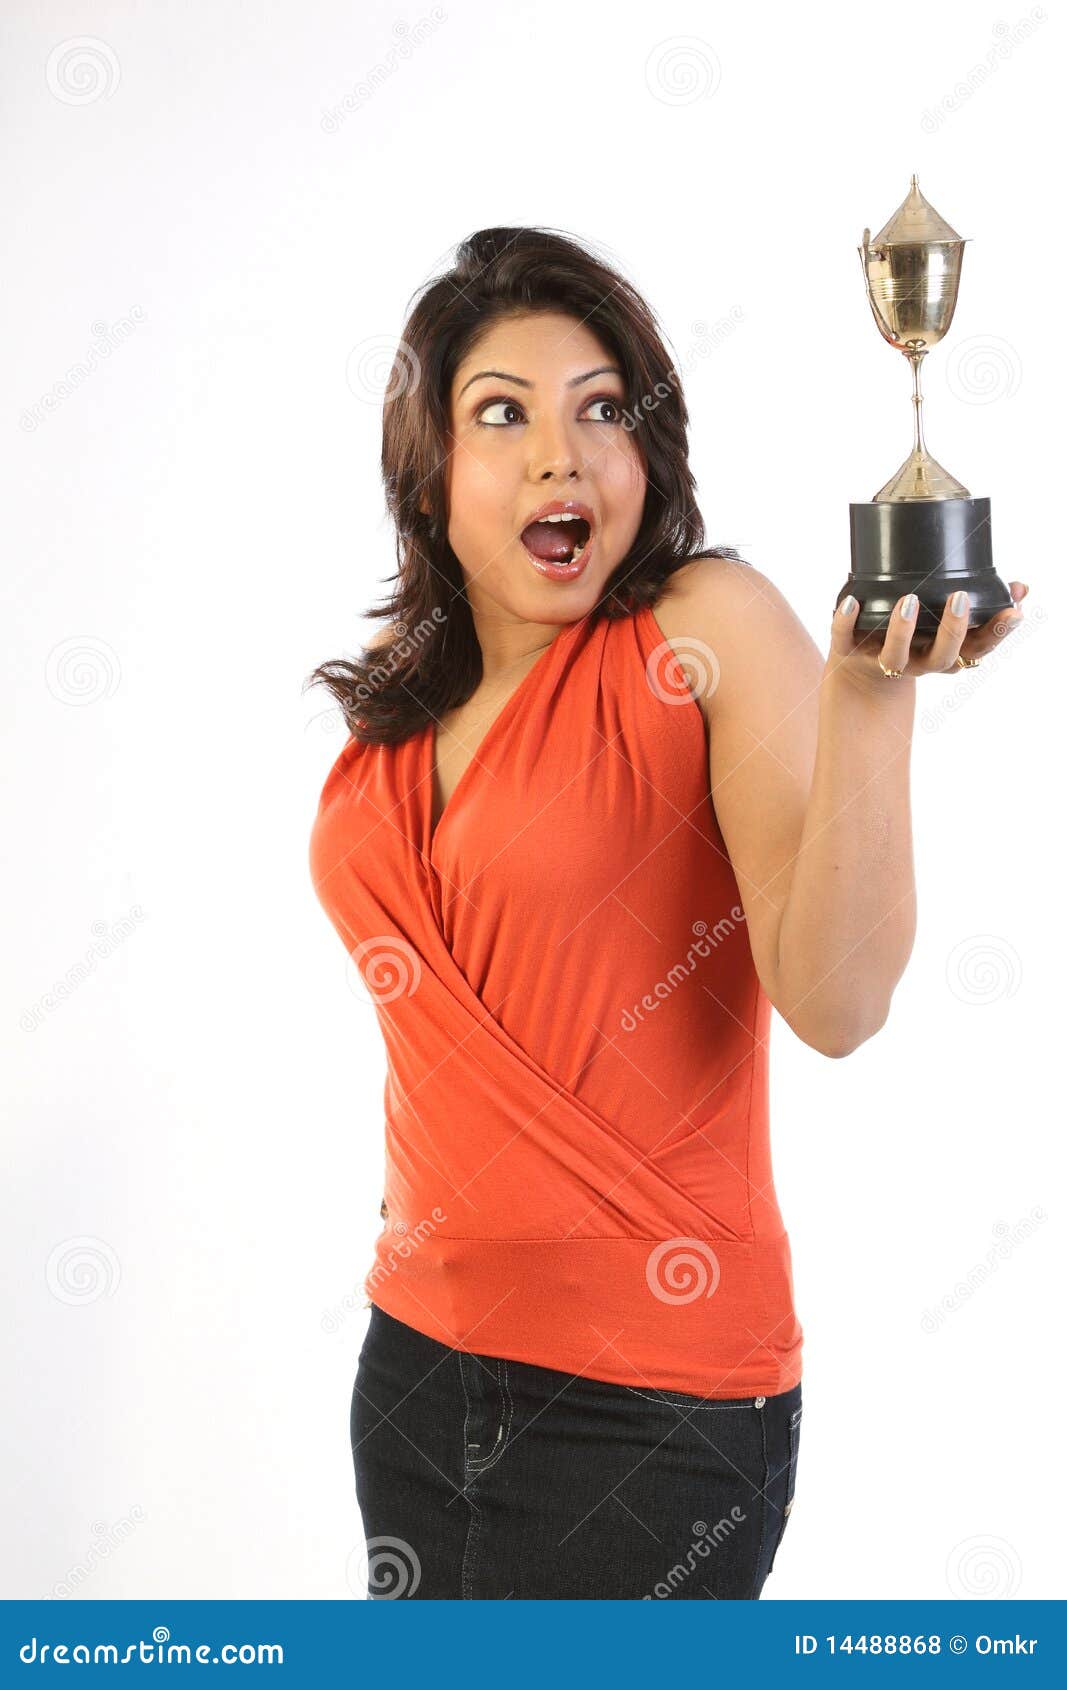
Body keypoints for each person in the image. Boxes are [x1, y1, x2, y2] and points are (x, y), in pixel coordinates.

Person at [306, 226, 1027, 1600]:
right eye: (502, 414)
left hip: (647, 1412)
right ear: (432, 467)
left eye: (602, 412)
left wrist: (870, 692)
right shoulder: (403, 709)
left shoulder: (699, 627)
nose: (560, 457)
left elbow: (838, 1001)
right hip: (413, 1372)